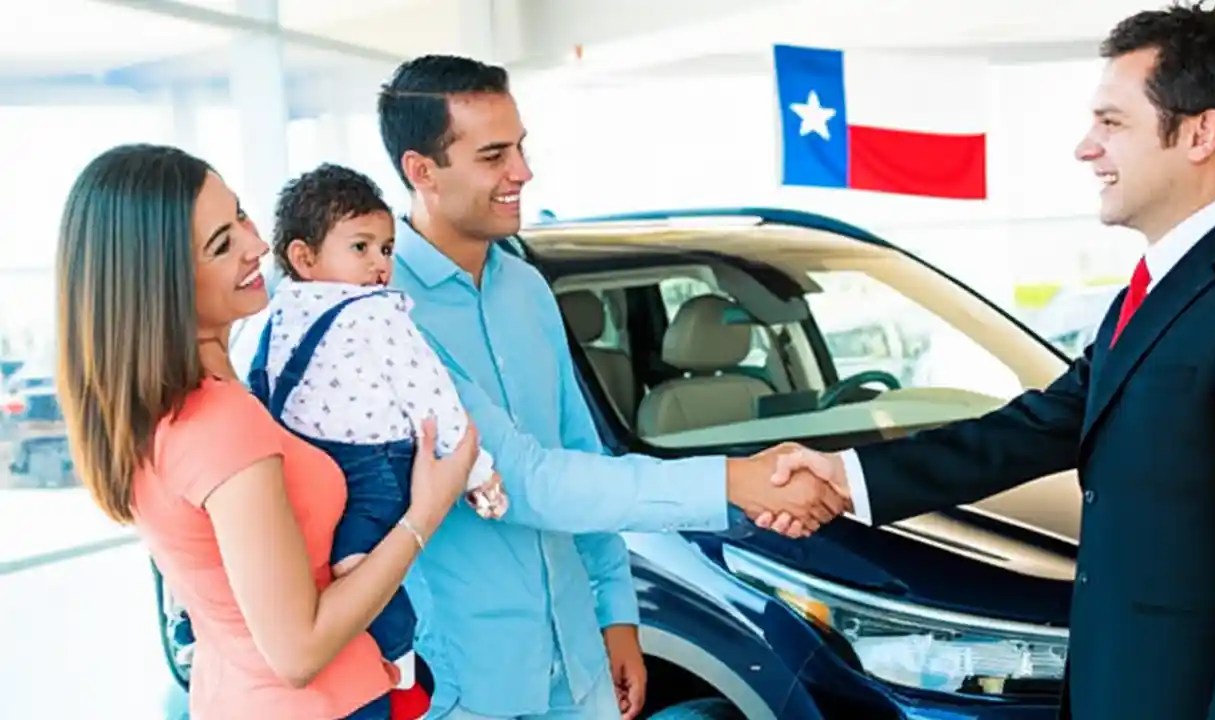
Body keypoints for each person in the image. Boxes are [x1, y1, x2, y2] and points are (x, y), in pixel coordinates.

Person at [765, 4, 1215, 719]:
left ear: (1202, 133)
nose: (1085, 148)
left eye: (1112, 122)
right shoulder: (1168, 285)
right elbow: (1040, 424)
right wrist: (846, 476)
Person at [374, 55, 844, 719]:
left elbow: (581, 456)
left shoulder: (527, 289)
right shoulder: (384, 311)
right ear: (422, 170)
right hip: (466, 683)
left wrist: (614, 612)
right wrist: (733, 480)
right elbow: (526, 481)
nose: (522, 172)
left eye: (521, 146)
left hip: (579, 667)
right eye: (493, 155)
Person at [54, 143, 476, 719]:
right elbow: (297, 651)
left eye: (241, 216)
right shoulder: (219, 422)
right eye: (222, 244)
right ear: (163, 281)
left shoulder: (166, 405)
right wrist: (424, 513)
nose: (256, 246)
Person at [248, 162, 510, 698]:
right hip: (350, 462)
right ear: (304, 257)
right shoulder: (341, 311)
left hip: (341, 465)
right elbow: (430, 392)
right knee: (348, 566)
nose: (379, 265)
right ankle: (394, 657)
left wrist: (475, 472)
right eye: (361, 247)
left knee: (345, 564)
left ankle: (391, 655)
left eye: (387, 249)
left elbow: (428, 392)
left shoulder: (312, 313)